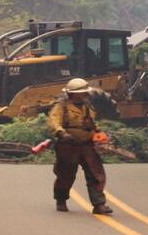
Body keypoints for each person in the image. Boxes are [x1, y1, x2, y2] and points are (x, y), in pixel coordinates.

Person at [47, 78, 113, 215]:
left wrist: (99, 133)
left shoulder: (87, 106)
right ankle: (61, 199)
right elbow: (54, 122)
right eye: (84, 93)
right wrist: (62, 133)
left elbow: (92, 123)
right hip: (68, 145)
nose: (87, 95)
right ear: (75, 94)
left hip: (87, 144)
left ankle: (99, 204)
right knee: (66, 175)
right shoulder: (61, 107)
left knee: (96, 173)